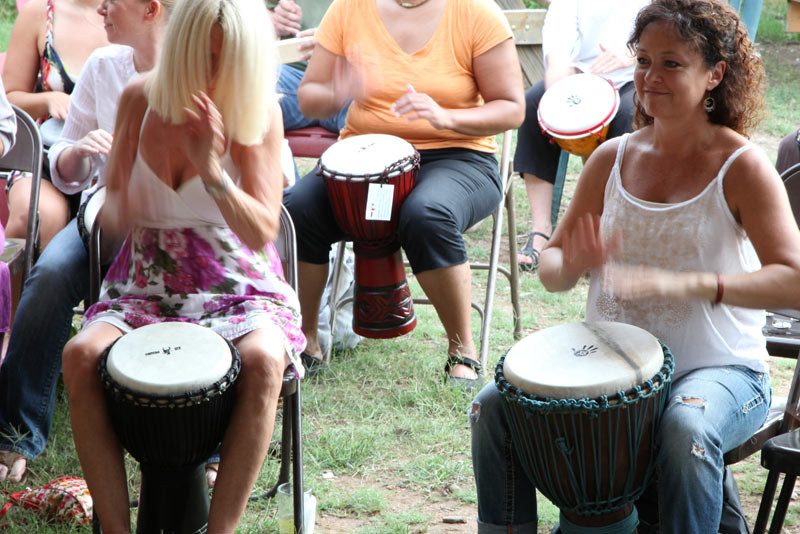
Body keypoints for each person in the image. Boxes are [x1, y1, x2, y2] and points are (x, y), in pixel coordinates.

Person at [470, 0, 800, 532]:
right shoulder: (611, 158)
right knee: (493, 406)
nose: (649, 77)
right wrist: (570, 260)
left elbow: (794, 278)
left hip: (721, 371)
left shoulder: (742, 167)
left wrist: (692, 284)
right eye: (642, 60)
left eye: (671, 63)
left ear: (715, 73)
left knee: (684, 426)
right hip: (611, 365)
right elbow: (554, 270)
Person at [61, 0, 305, 529]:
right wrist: (132, 202)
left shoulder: (258, 110)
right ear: (180, 52)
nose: (215, 74)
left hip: (237, 278)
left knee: (265, 361)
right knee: (80, 355)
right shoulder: (135, 99)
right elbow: (114, 219)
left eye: (227, 61)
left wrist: (212, 171)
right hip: (146, 276)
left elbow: (262, 228)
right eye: (204, 59)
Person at [284, 0, 524, 386]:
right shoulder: (349, 8)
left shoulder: (476, 12)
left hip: (458, 155)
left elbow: (512, 108)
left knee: (427, 213)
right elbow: (309, 96)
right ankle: (306, 341)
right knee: (299, 209)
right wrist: (339, 90)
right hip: (362, 157)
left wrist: (446, 117)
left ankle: (462, 349)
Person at [0, 0, 171, 485]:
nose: (102, 6)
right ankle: (17, 429)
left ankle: (199, 434)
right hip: (102, 220)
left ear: (151, 10)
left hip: (176, 230)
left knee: (191, 295)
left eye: (113, 1)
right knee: (50, 275)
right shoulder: (103, 66)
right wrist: (78, 151)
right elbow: (69, 177)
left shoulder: (194, 66)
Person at [515, 0, 648, 272]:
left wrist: (635, 54)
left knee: (628, 116)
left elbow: (670, 27)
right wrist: (558, 94)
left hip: (633, 76)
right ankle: (542, 230)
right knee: (533, 105)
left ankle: (605, 233)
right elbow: (558, 48)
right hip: (582, 77)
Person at [1, 0, 108, 248]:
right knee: (38, 214)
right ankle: (13, 285)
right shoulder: (41, 12)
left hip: (112, 163)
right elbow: (8, 101)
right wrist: (49, 99)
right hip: (47, 158)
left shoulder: (136, 12)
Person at [270, 0, 349, 134]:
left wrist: (336, 40)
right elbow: (253, 13)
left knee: (374, 117)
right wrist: (275, 20)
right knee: (246, 86)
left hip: (353, 79)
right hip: (293, 74)